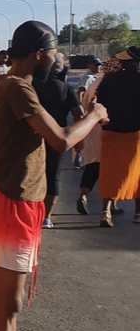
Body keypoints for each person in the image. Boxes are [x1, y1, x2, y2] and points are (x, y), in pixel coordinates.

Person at [0, 21, 107, 331]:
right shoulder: (16, 86)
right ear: (38, 53)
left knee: (10, 304)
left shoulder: (8, 86)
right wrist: (95, 114)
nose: (56, 60)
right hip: (14, 203)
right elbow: (62, 141)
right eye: (52, 53)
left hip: (21, 200)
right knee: (6, 305)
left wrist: (9, 160)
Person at [31, 53, 84, 227]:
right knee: (53, 174)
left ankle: (30, 212)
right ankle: (47, 216)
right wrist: (79, 140)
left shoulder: (30, 84)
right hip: (57, 137)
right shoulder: (65, 87)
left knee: (31, 174)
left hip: (32, 136)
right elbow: (79, 114)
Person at [96, 46, 140, 227]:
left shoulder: (108, 80)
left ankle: (106, 211)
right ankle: (138, 213)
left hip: (111, 131)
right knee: (136, 173)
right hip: (135, 133)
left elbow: (99, 104)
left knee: (109, 171)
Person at [76, 58, 117, 215]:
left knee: (92, 166)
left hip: (92, 130)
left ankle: (83, 196)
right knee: (110, 169)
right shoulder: (113, 85)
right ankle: (109, 207)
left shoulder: (95, 83)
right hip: (109, 131)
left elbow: (86, 103)